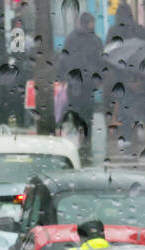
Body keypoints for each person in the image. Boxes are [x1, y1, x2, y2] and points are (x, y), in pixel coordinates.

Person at [58, 13, 104, 163]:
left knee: (76, 111)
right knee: (87, 113)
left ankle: (79, 137)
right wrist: (98, 79)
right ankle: (86, 139)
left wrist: (63, 77)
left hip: (74, 82)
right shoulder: (95, 40)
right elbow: (100, 62)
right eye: (92, 22)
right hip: (88, 83)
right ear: (89, 23)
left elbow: (63, 58)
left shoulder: (71, 38)